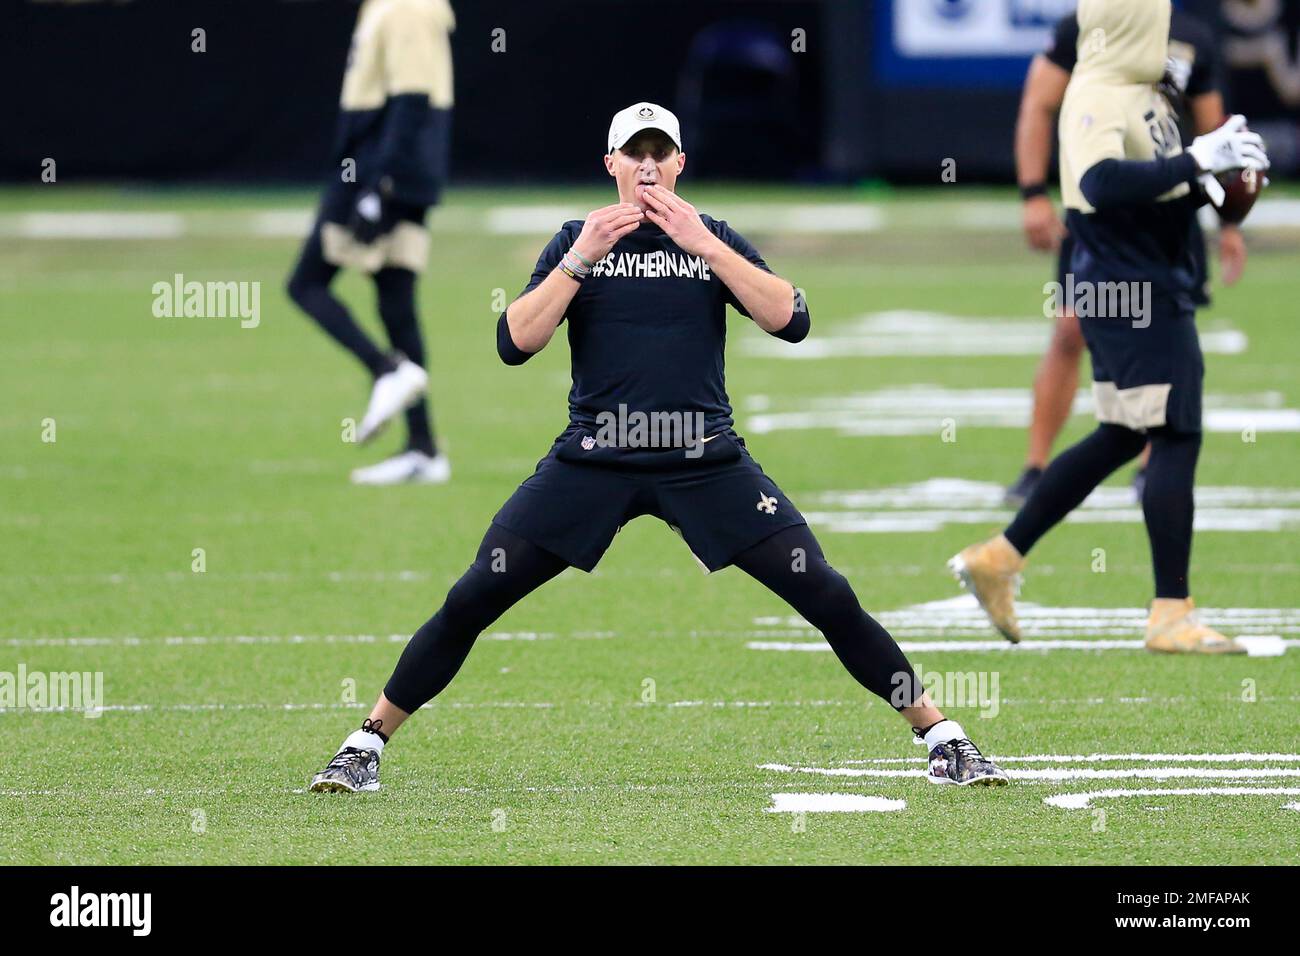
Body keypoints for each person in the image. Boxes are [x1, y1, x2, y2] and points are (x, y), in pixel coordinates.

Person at [308, 102, 1010, 793]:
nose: (647, 166)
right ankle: (364, 744)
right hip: (595, 458)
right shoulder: (576, 239)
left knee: (825, 591)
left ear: (679, 164)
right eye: (633, 154)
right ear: (610, 164)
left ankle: (941, 736)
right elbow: (515, 342)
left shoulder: (713, 237)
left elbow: (790, 319)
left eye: (659, 153)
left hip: (704, 459)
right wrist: (580, 258)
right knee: (474, 596)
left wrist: (705, 245)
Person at [952, 0, 1269, 655]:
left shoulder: (1145, 93)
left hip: (1151, 271)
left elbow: (1164, 186)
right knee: (1175, 431)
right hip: (1130, 282)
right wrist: (1196, 160)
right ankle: (1171, 612)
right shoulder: (1097, 90)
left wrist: (1226, 184)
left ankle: (1000, 558)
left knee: (1126, 432)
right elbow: (1101, 182)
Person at [1005, 1, 1246, 507]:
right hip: (1100, 222)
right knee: (1071, 330)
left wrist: (1228, 214)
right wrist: (1032, 192)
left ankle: (1152, 467)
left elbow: (1213, 130)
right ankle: (1035, 467)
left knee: (1163, 349)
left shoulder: (1190, 36)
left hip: (1164, 216)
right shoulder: (1088, 34)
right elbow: (1041, 105)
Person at [287, 0, 455, 485]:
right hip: (395, 174)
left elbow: (413, 98)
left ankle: (386, 369)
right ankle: (423, 449)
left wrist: (378, 188)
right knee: (395, 301)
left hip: (377, 173)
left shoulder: (406, 8)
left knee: (305, 284)